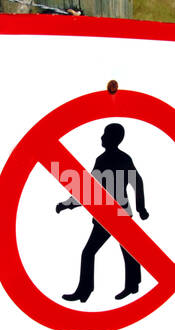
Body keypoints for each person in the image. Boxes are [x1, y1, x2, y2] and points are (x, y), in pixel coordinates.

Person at [55, 123, 148, 303]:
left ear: (113, 138)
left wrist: (141, 207)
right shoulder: (102, 160)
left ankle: (130, 285)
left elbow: (137, 182)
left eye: (105, 134)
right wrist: (67, 204)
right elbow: (88, 189)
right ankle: (87, 290)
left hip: (117, 215)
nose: (101, 137)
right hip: (108, 215)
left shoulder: (120, 159)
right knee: (116, 251)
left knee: (123, 251)